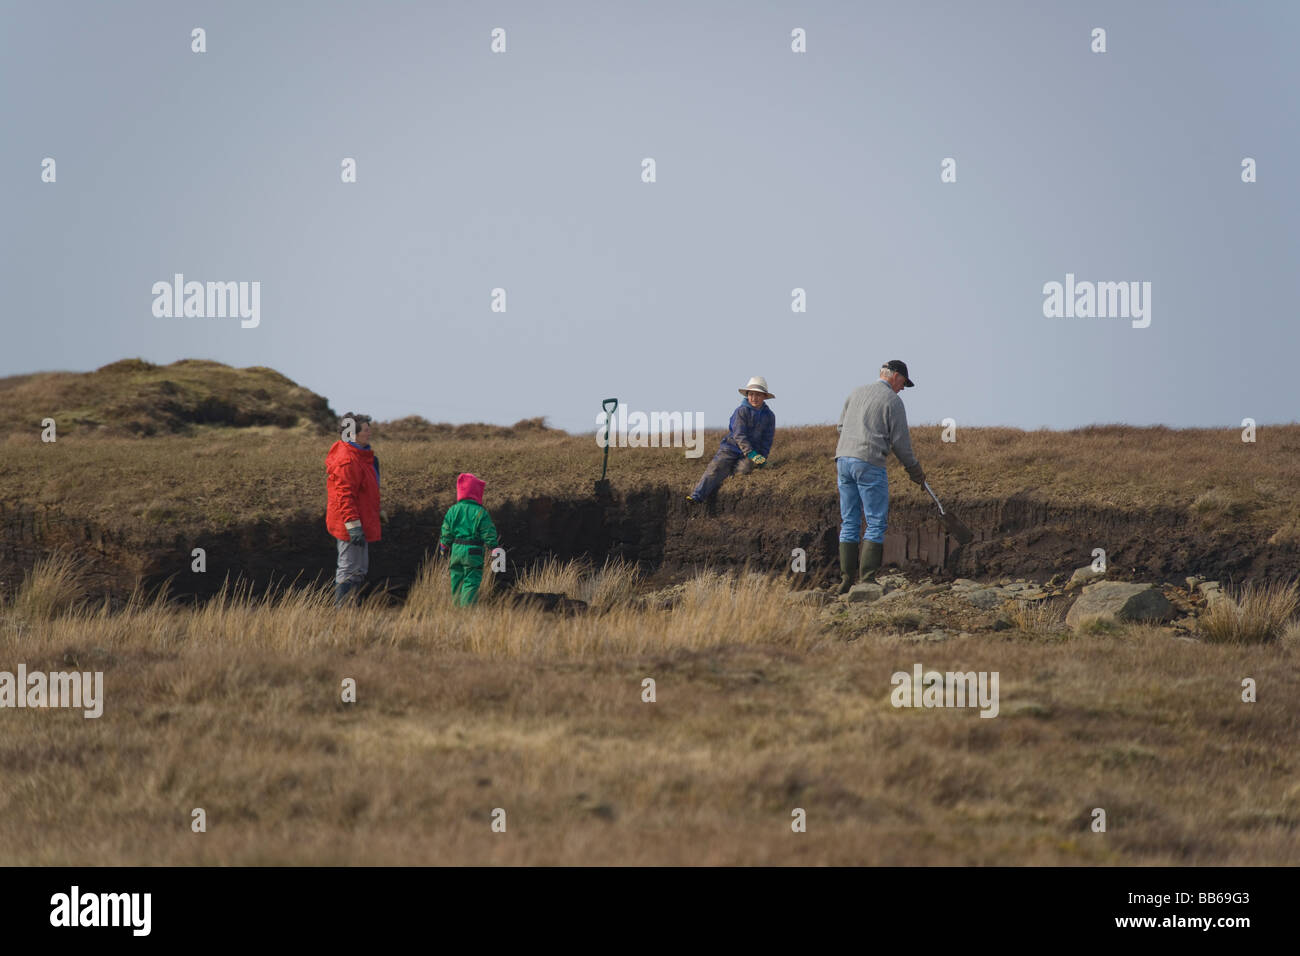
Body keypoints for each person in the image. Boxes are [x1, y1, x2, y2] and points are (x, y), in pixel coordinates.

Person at [834, 361, 925, 594]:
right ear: (895, 376)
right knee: (875, 521)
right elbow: (901, 444)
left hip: (843, 460)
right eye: (903, 383)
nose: (903, 388)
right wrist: (914, 470)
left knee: (850, 521)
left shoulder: (856, 392)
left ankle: (845, 581)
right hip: (868, 462)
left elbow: (840, 426)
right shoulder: (893, 402)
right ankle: (866, 580)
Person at [687, 376, 776, 503]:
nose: (754, 398)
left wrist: (762, 457)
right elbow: (739, 435)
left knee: (745, 468)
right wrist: (751, 453)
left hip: (752, 452)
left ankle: (730, 477)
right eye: (751, 394)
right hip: (731, 448)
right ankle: (697, 496)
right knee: (715, 468)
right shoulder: (741, 411)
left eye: (758, 395)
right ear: (747, 395)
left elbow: (767, 438)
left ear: (764, 397)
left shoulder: (769, 416)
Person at [326, 413, 381, 606]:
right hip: (349, 523)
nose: (370, 433)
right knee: (349, 568)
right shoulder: (347, 460)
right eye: (366, 430)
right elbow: (344, 496)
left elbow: (366, 491)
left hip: (361, 519)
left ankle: (351, 610)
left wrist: (376, 511)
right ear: (353, 434)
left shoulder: (361, 456)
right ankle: (343, 612)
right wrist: (353, 526)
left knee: (359, 568)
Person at [438, 472, 500, 606]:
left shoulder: (453, 510)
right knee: (471, 582)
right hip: (474, 552)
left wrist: (444, 546)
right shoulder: (480, 512)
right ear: (476, 492)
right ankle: (466, 613)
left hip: (456, 551)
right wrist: (494, 548)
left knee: (456, 581)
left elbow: (446, 531)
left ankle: (456, 612)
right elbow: (488, 533)